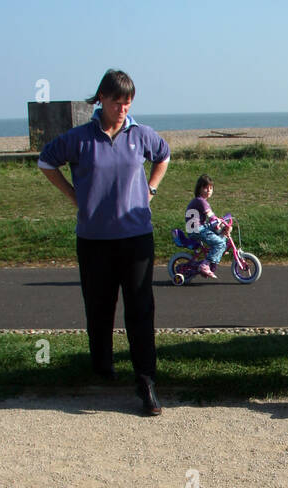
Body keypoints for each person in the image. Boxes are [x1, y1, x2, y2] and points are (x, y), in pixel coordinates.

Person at [37, 69, 170, 415]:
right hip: (95, 240)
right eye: (117, 102)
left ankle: (146, 380)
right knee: (99, 305)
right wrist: (73, 195)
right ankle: (102, 365)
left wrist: (151, 189)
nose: (123, 109)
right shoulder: (80, 138)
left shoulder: (140, 134)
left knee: (140, 308)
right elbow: (46, 161)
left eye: (128, 103)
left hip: (136, 237)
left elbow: (164, 155)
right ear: (102, 99)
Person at [184, 174, 229, 279]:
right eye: (205, 187)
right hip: (196, 230)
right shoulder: (201, 201)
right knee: (220, 242)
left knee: (221, 231)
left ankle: (219, 250)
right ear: (199, 188)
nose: (209, 190)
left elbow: (211, 219)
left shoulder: (201, 201)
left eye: (211, 188)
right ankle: (205, 264)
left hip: (199, 228)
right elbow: (211, 216)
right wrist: (219, 222)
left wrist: (221, 223)